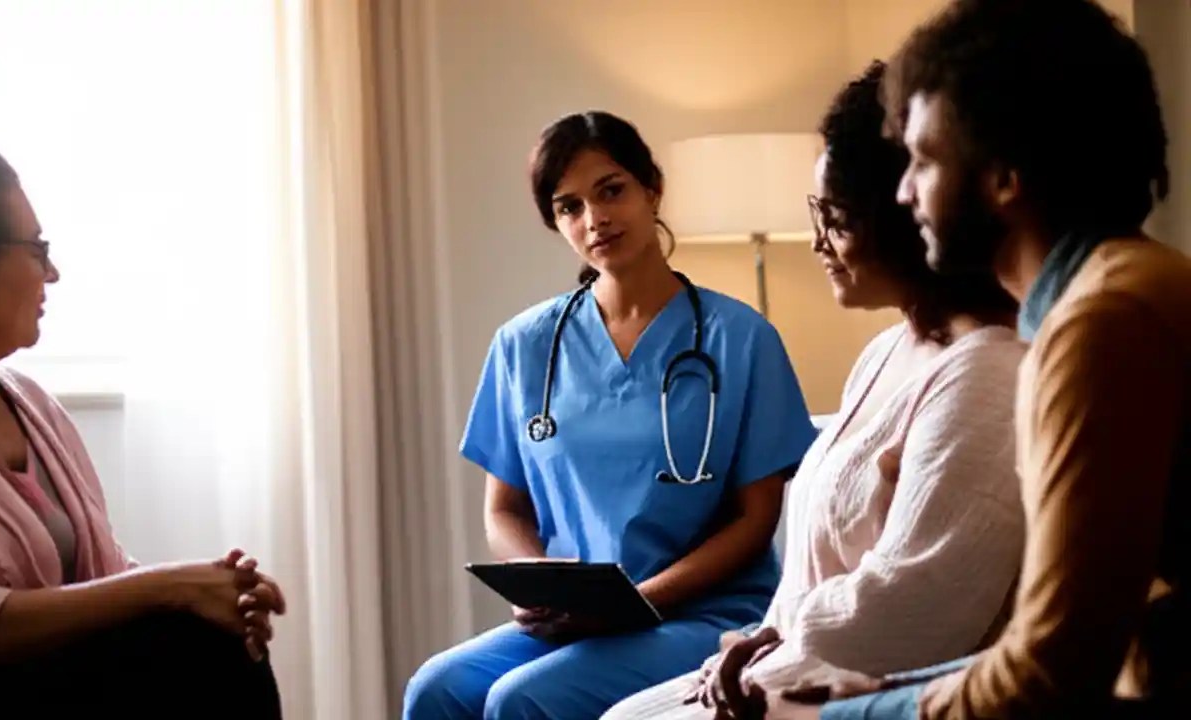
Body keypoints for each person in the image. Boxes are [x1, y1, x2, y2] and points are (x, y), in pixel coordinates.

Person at [770, 1, 1190, 718]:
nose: (904, 194)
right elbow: (1089, 634)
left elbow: (1058, 671)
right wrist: (889, 690)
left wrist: (830, 715)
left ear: (1006, 175)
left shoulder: (1098, 327)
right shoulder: (1124, 287)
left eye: (925, 161)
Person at [600, 59, 1026, 720]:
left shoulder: (988, 378)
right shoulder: (886, 352)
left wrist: (778, 636)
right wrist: (752, 643)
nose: (818, 241)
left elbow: (917, 609)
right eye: (816, 212)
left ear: (907, 219)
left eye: (837, 218)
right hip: (788, 657)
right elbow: (808, 567)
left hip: (860, 686)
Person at [402, 110, 818, 720]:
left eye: (611, 190)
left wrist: (635, 602)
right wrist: (538, 582)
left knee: (524, 699)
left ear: (652, 188)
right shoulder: (525, 346)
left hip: (702, 613)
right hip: (576, 620)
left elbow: (757, 520)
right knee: (435, 689)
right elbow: (505, 507)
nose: (594, 219)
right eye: (569, 206)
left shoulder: (741, 339)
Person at [0, 127, 287, 718]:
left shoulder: (31, 405)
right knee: (193, 647)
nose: (52, 273)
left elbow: (105, 578)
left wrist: (208, 591)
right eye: (35, 250)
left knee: (218, 639)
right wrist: (171, 588)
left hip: (66, 690)